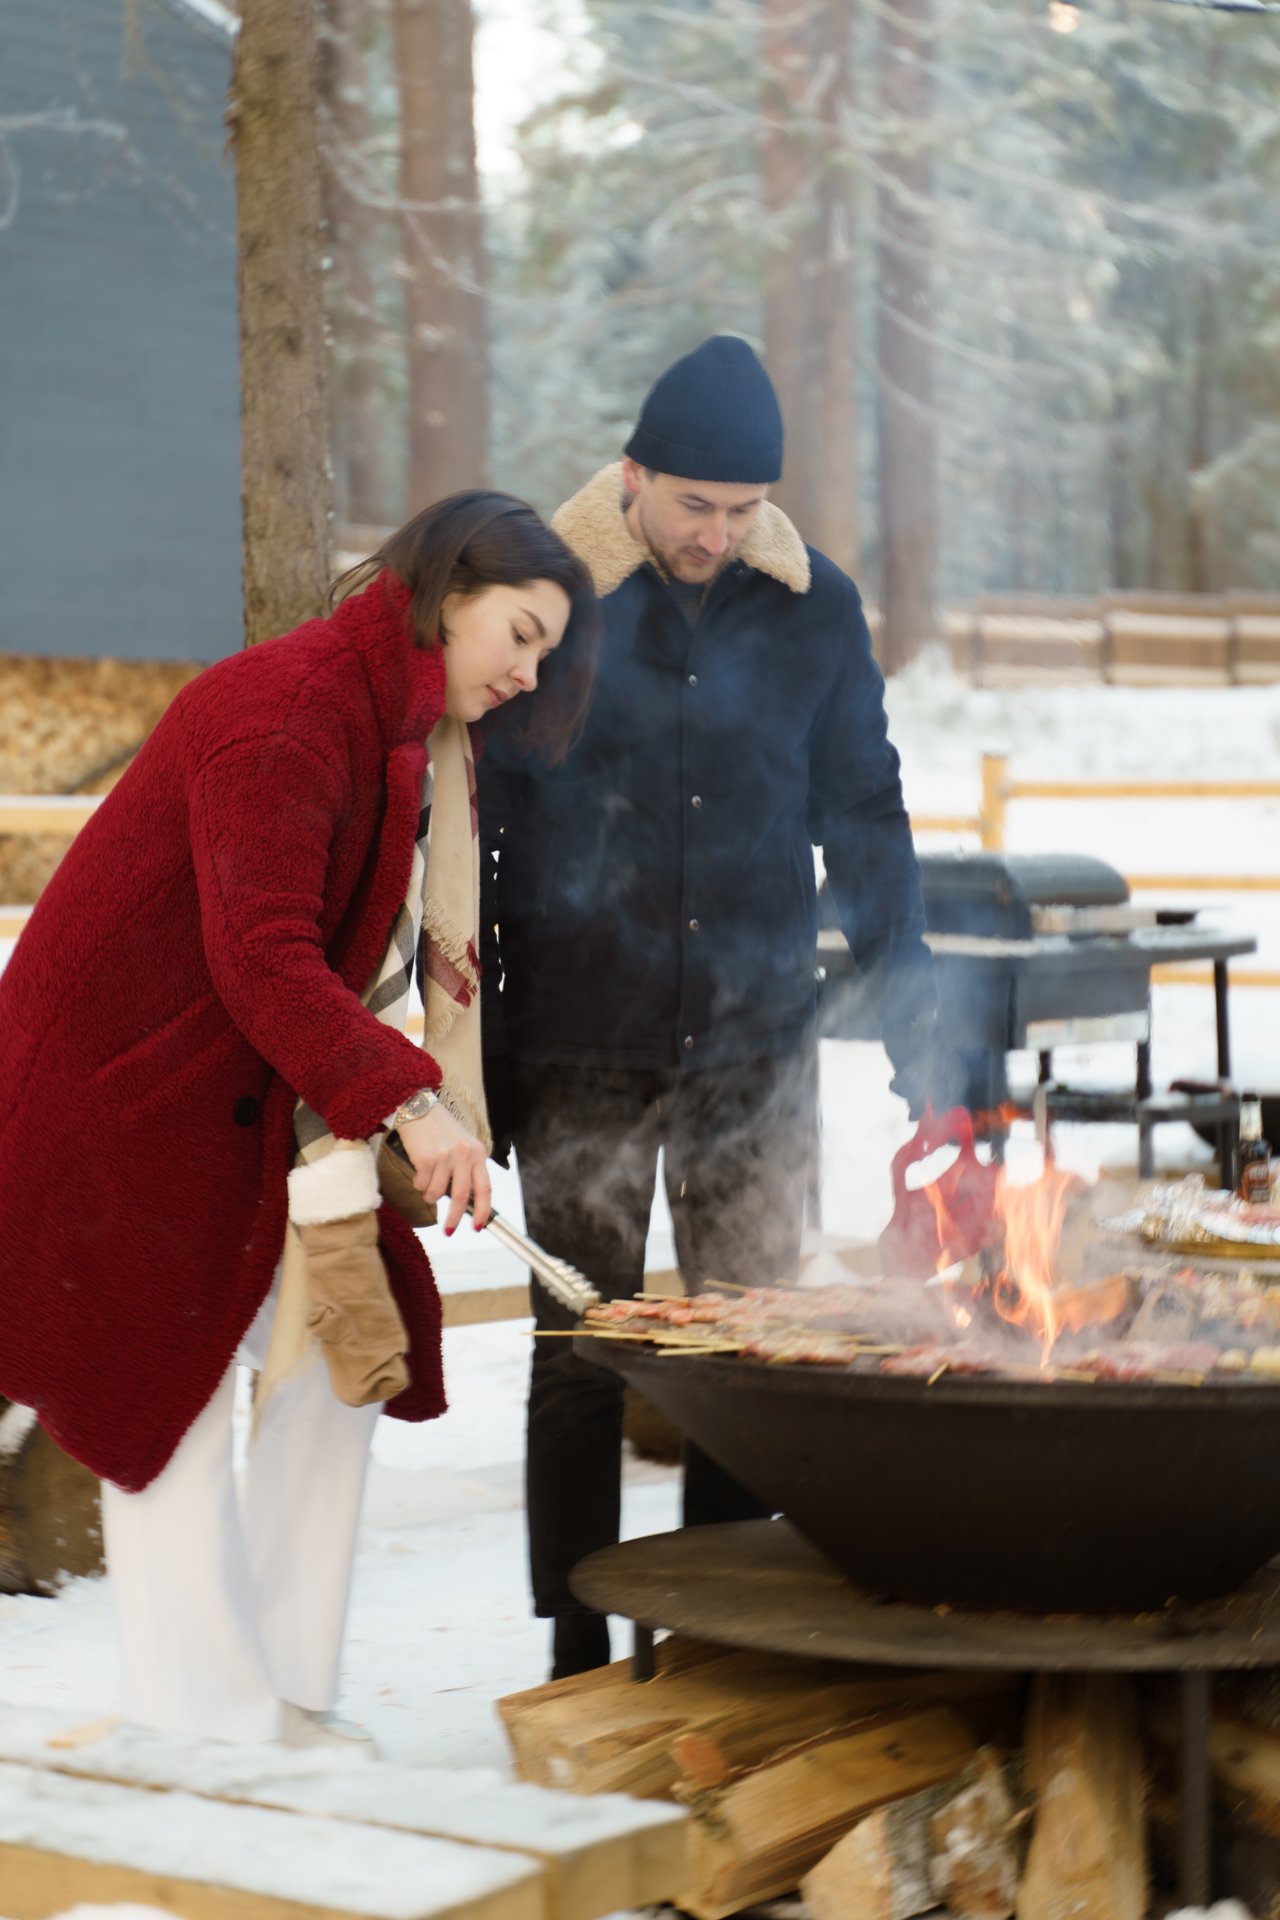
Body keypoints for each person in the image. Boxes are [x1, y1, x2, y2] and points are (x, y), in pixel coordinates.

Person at [0, 491, 598, 1746]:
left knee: (341, 1349)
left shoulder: (396, 725)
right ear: (448, 592)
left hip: (239, 1100)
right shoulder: (287, 710)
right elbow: (264, 952)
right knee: (159, 1396)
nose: (529, 670)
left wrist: (397, 1101)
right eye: (521, 634)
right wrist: (413, 1107)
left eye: (547, 649)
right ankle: (205, 1728)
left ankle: (283, 1700)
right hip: (114, 1097)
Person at [478, 336, 940, 1679]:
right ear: (633, 476)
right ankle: (574, 1643)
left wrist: (910, 1013)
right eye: (693, 505)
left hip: (757, 1045)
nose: (717, 534)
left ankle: (714, 1645)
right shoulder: (552, 609)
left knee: (748, 1356)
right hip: (583, 1042)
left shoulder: (813, 609)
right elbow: (487, 830)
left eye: (741, 512)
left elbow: (865, 807)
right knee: (582, 1352)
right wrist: (489, 1053)